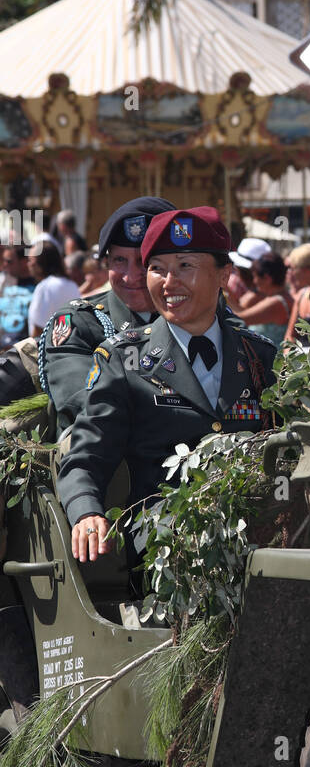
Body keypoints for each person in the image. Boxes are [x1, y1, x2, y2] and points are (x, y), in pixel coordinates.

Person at [57, 206, 278, 564]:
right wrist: (85, 512)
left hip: (256, 534)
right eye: (157, 269)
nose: (168, 283)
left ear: (224, 275)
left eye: (185, 267)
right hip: (164, 546)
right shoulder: (124, 360)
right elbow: (88, 455)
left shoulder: (260, 357)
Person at [41, 196, 176, 432]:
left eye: (145, 263)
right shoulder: (79, 323)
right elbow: (86, 405)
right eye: (119, 260)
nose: (130, 276)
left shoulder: (199, 317)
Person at [230, 252, 293, 344]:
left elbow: (239, 319)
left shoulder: (276, 302)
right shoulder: (278, 298)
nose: (254, 281)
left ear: (267, 278)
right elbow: (242, 313)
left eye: (255, 276)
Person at [27, 241, 79, 338]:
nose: (28, 264)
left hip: (45, 348)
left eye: (31, 260)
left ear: (41, 264)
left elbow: (38, 329)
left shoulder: (44, 287)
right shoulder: (72, 285)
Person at [0, 245, 35, 349]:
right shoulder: (3, 281)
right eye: (4, 260)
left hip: (25, 350)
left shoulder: (38, 285)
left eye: (9, 261)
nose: (5, 265)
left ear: (24, 262)